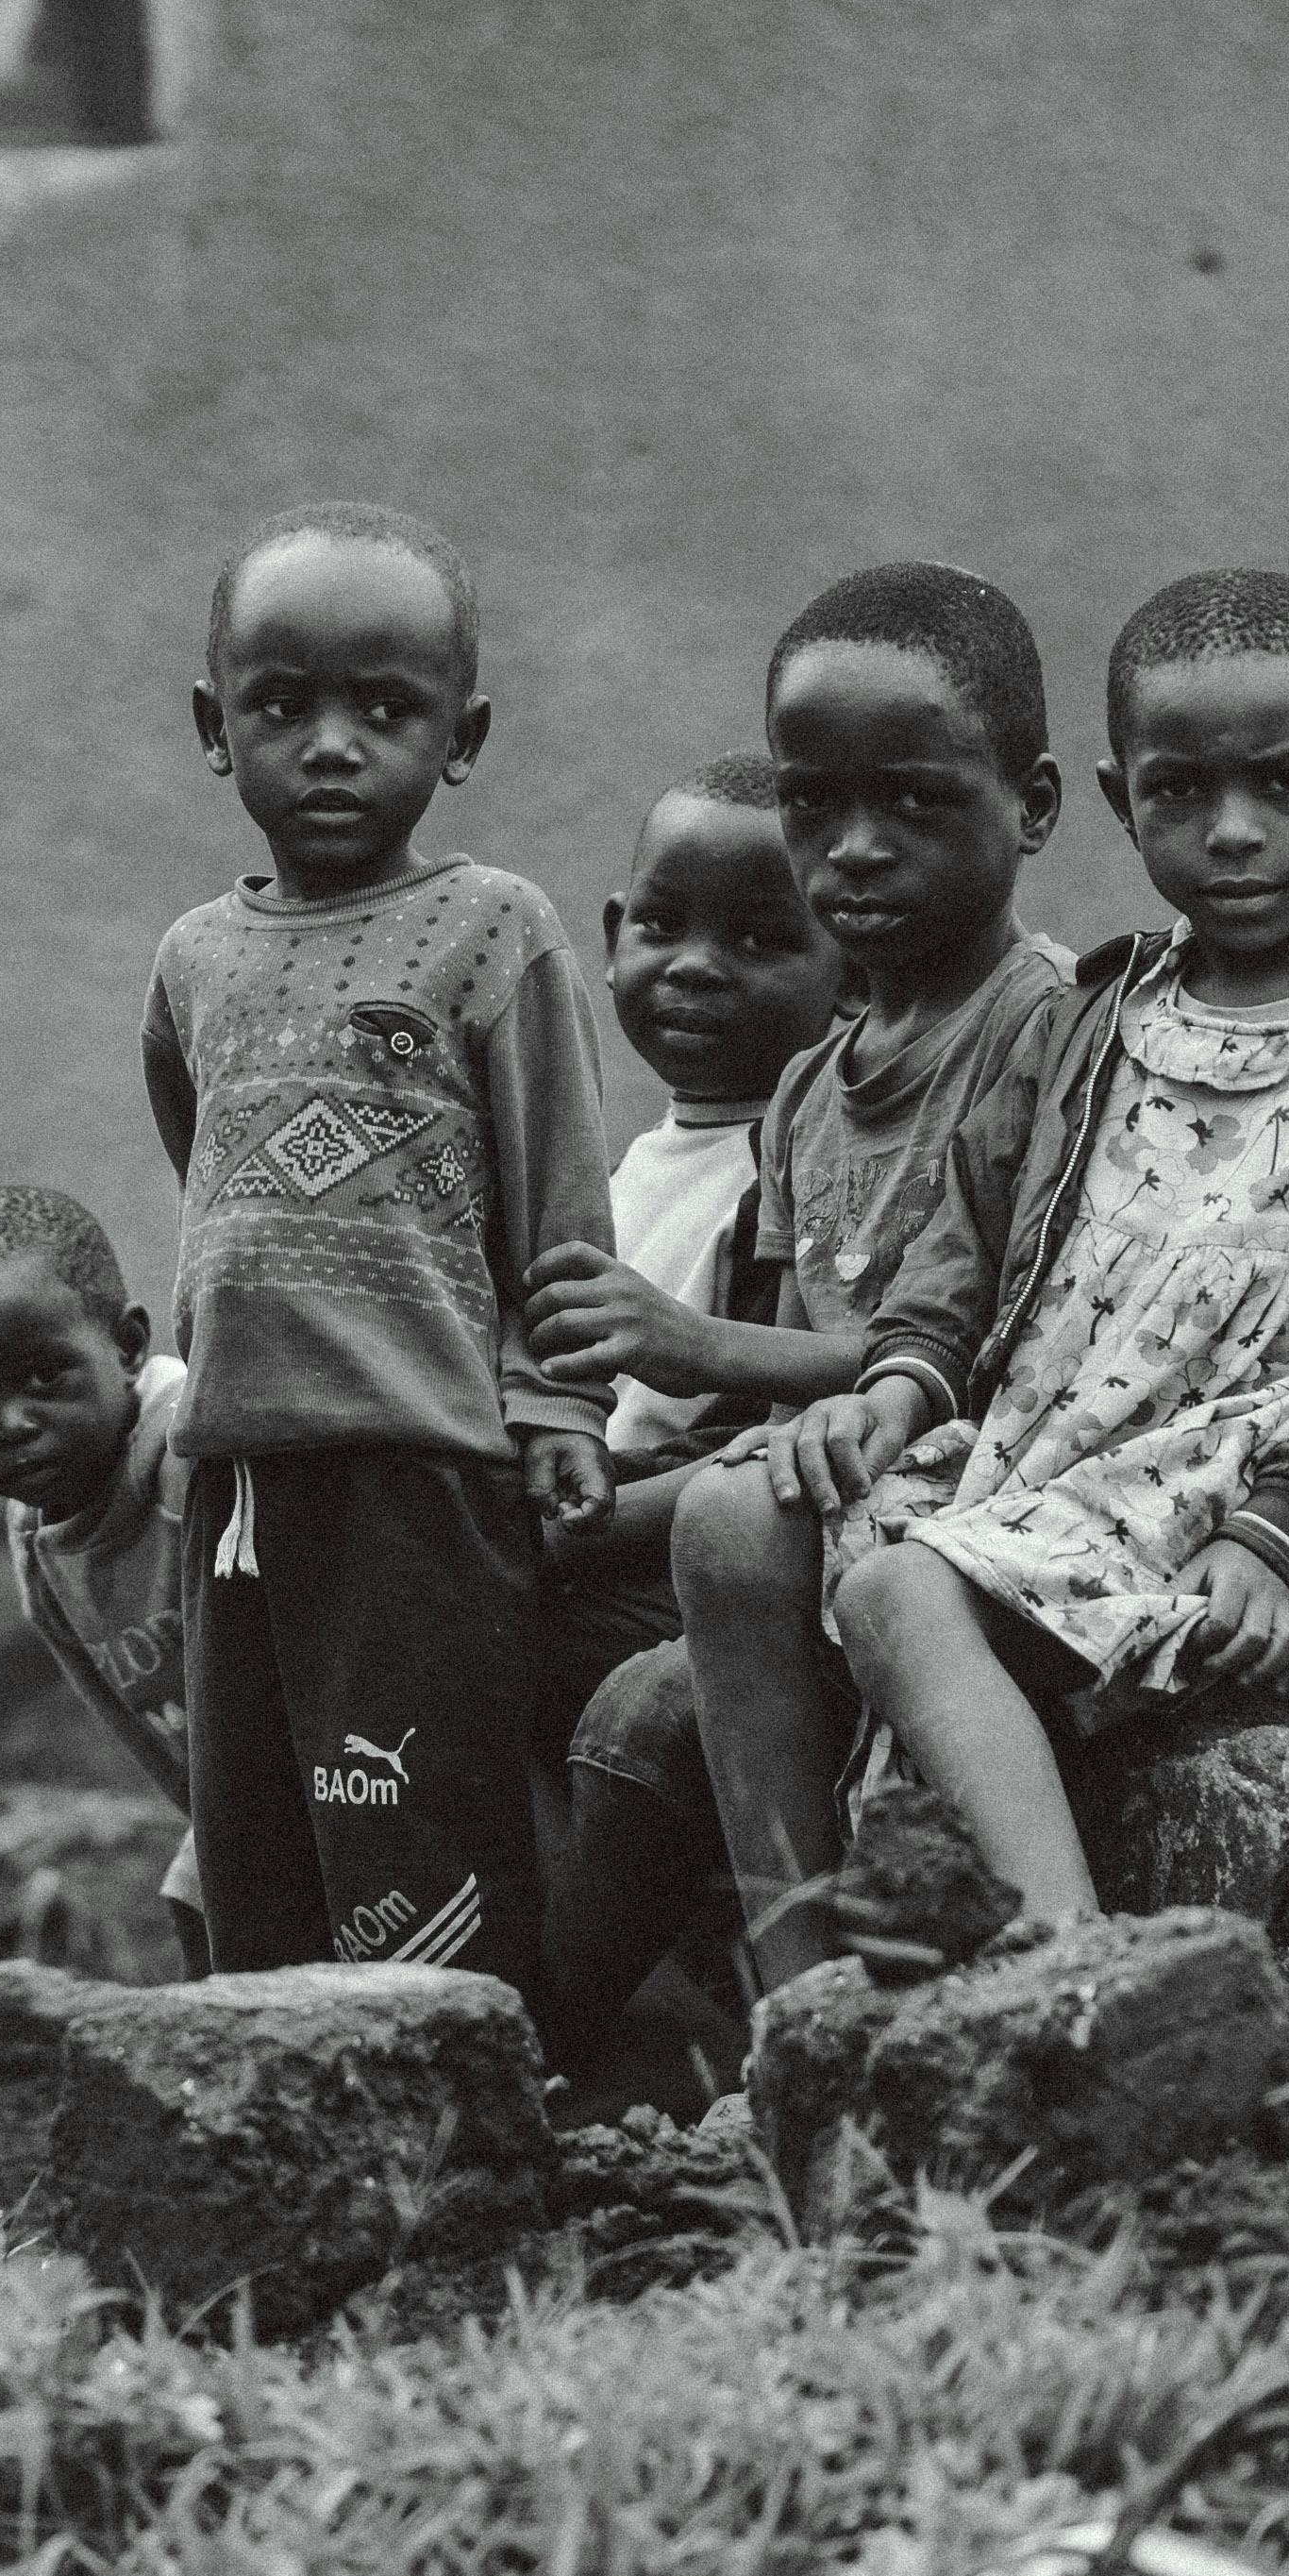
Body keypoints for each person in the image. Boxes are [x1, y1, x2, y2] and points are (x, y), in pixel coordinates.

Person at [679, 569, 1289, 1965]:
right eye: (1177, 793)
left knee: (893, 1591)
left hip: (1231, 1480)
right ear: (1116, 798)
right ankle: (797, 1997)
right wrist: (895, 1394)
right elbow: (970, 1247)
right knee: (732, 1519)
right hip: (1041, 1455)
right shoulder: (1095, 1020)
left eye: (1283, 784)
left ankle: (1074, 1962)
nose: (1230, 833)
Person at [537, 563, 1082, 1995]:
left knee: (643, 1718)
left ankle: (705, 2019)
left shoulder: (1051, 1031)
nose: (852, 849)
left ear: (1030, 805)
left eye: (910, 802)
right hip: (786, 1516)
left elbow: (987, 1351)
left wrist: (692, 1343)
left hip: (952, 1522)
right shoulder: (804, 1096)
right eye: (813, 805)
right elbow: (765, 1405)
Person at [147, 501, 620, 1991]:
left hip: (420, 1475)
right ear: (216, 728)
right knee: (257, 1845)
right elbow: (206, 1158)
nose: (333, 744)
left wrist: (555, 1405)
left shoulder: (492, 933)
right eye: (284, 707)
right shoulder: (193, 959)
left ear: (461, 735)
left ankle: (458, 2139)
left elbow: (557, 1197)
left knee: (413, 1841)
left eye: (386, 708)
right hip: (234, 1477)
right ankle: (280, 2151)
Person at [506, 748, 841, 2062]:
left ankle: (552, 2034)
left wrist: (590, 1520)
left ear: (848, 966)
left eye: (762, 938)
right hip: (593, 1533)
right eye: (663, 926)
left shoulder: (799, 1176)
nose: (697, 966)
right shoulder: (628, 1162)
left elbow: (763, 1430)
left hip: (676, 1555)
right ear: (609, 939)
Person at [0, 1183, 209, 1972]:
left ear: (128, 1346)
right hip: (235, 1802)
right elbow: (123, 1714)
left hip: (343, 1773)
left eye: (43, 1378)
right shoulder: (34, 1533)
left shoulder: (197, 1452)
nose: (10, 1422)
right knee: (198, 1899)